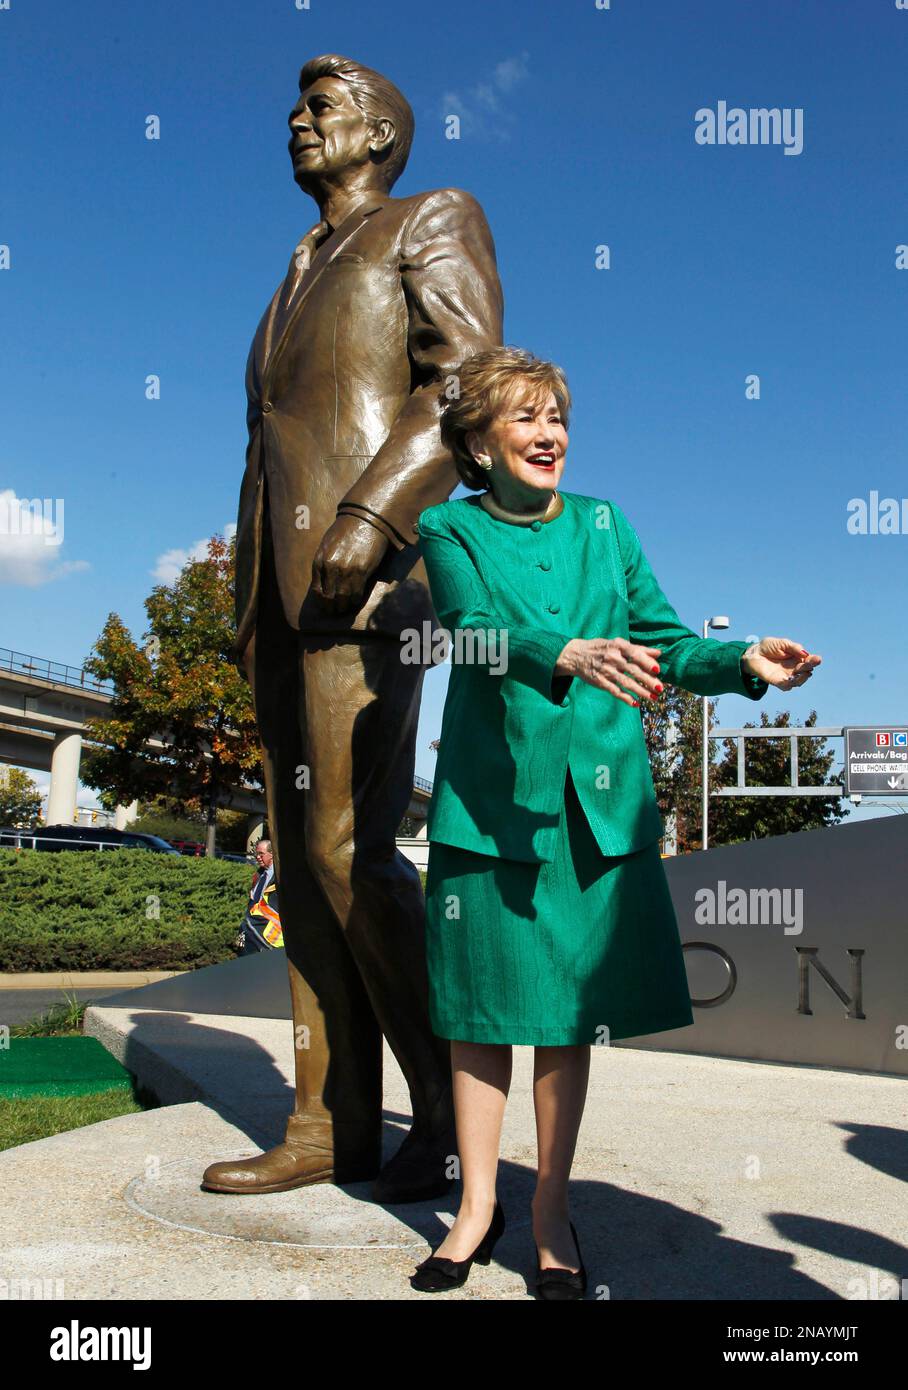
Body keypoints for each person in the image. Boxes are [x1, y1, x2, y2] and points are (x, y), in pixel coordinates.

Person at [410, 345, 821, 1297]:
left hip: (595, 808)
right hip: (492, 803)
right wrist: (567, 650)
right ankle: (476, 1208)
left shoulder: (607, 524)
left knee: (565, 1019)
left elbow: (668, 642)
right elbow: (466, 633)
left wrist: (743, 661)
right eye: (524, 418)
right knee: (479, 1016)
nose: (549, 434)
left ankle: (550, 1210)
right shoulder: (446, 528)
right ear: (478, 440)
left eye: (556, 416)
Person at [202, 53, 504, 1203]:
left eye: (322, 109)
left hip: (366, 583)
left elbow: (465, 379)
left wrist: (374, 513)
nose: (297, 121)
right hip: (278, 599)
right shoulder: (294, 270)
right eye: (300, 107)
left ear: (380, 133)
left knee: (347, 849)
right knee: (303, 855)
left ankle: (438, 1111)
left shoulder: (429, 218)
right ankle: (328, 1124)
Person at [237, 840, 283, 954]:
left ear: (272, 854)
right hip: (251, 927)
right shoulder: (260, 874)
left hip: (269, 935)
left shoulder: (280, 875)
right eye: (256, 854)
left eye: (261, 854)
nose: (257, 857)